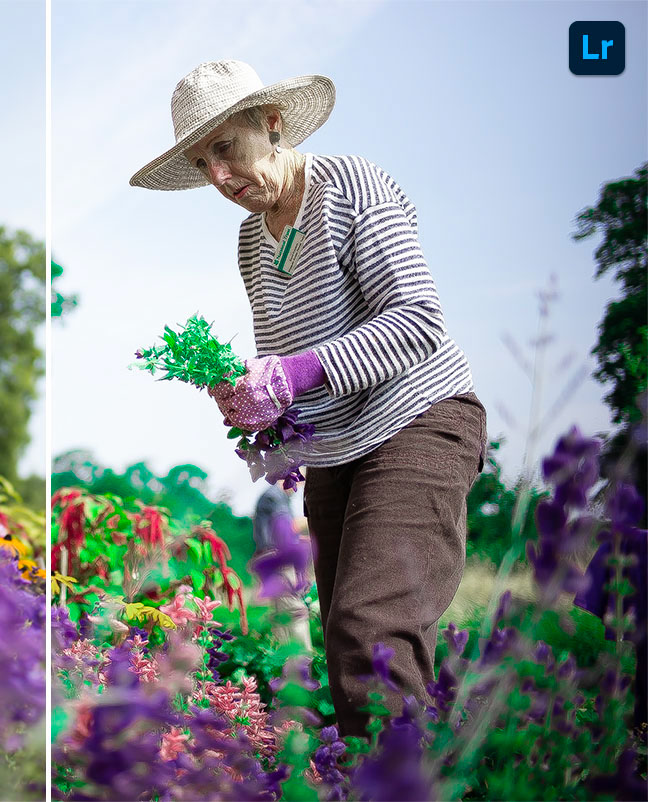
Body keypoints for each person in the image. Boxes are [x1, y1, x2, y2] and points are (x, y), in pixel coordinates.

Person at [130, 60, 487, 738]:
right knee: (346, 640)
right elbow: (295, 371)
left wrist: (293, 373)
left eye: (226, 150)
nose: (220, 179)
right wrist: (259, 406)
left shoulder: (352, 185)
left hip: (421, 419)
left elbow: (417, 319)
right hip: (340, 449)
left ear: (271, 124)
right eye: (204, 163)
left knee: (372, 628)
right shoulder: (250, 242)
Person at [253, 482, 314, 651]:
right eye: (298, 482)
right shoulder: (274, 496)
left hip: (276, 560)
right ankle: (302, 663)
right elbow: (286, 528)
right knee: (295, 612)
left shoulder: (278, 497)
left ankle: (289, 664)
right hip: (279, 561)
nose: (298, 488)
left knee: (283, 615)